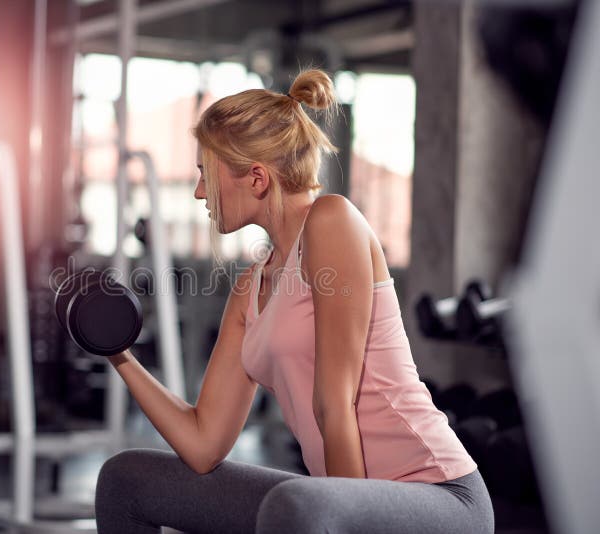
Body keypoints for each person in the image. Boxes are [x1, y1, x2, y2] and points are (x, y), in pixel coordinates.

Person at [94, 70, 494, 534]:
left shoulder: (332, 221)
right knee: (127, 479)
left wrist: (341, 512)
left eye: (206, 173)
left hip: (438, 496)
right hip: (333, 499)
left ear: (257, 178)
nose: (200, 192)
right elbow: (203, 443)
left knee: (297, 505)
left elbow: (333, 405)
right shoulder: (251, 289)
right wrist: (117, 352)